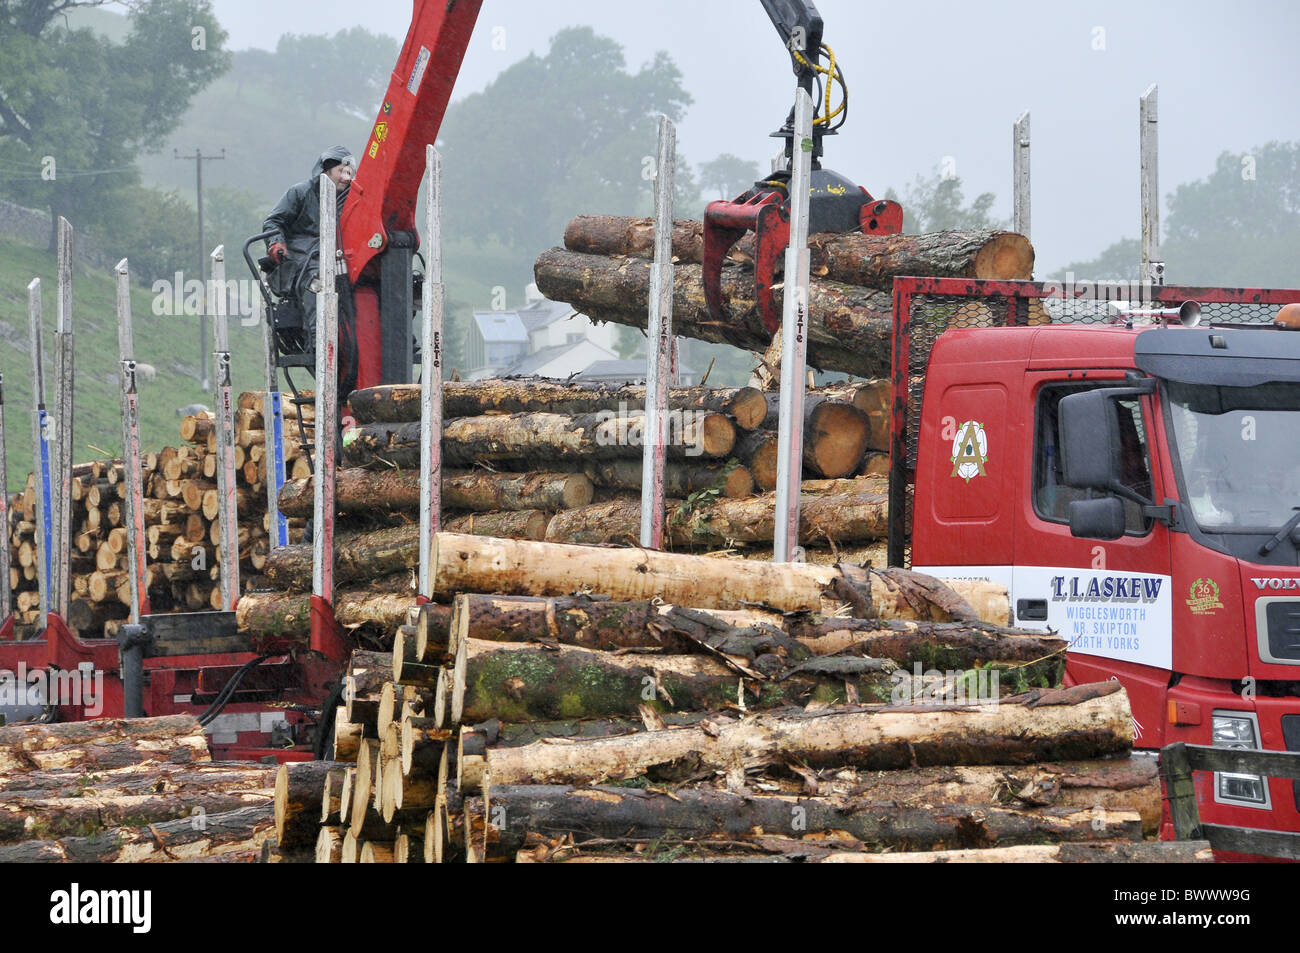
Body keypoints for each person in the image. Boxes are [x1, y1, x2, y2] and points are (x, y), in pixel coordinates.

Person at [262, 145, 359, 398]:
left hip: (336, 255)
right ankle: (320, 343)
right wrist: (276, 243)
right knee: (318, 281)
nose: (346, 177)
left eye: (350, 172)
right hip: (300, 258)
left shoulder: (351, 198)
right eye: (341, 171)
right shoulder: (300, 192)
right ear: (326, 171)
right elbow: (274, 222)